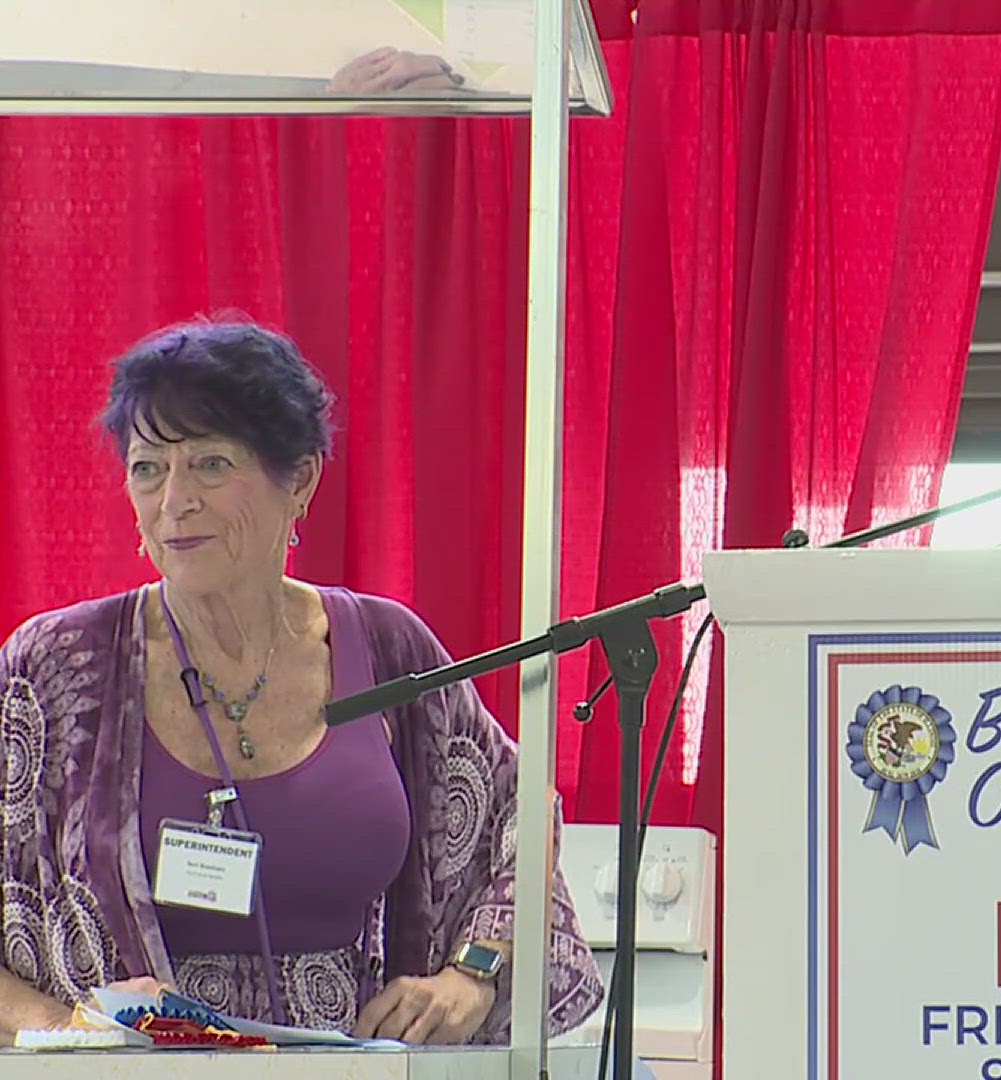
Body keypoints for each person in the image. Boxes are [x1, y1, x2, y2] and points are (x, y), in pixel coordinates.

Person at [0, 321, 603, 1042]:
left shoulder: (387, 648)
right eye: (148, 468)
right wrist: (63, 1027)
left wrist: (473, 972)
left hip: (353, 1066)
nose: (175, 500)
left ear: (302, 480)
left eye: (211, 464)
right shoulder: (56, 667)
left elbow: (519, 814)